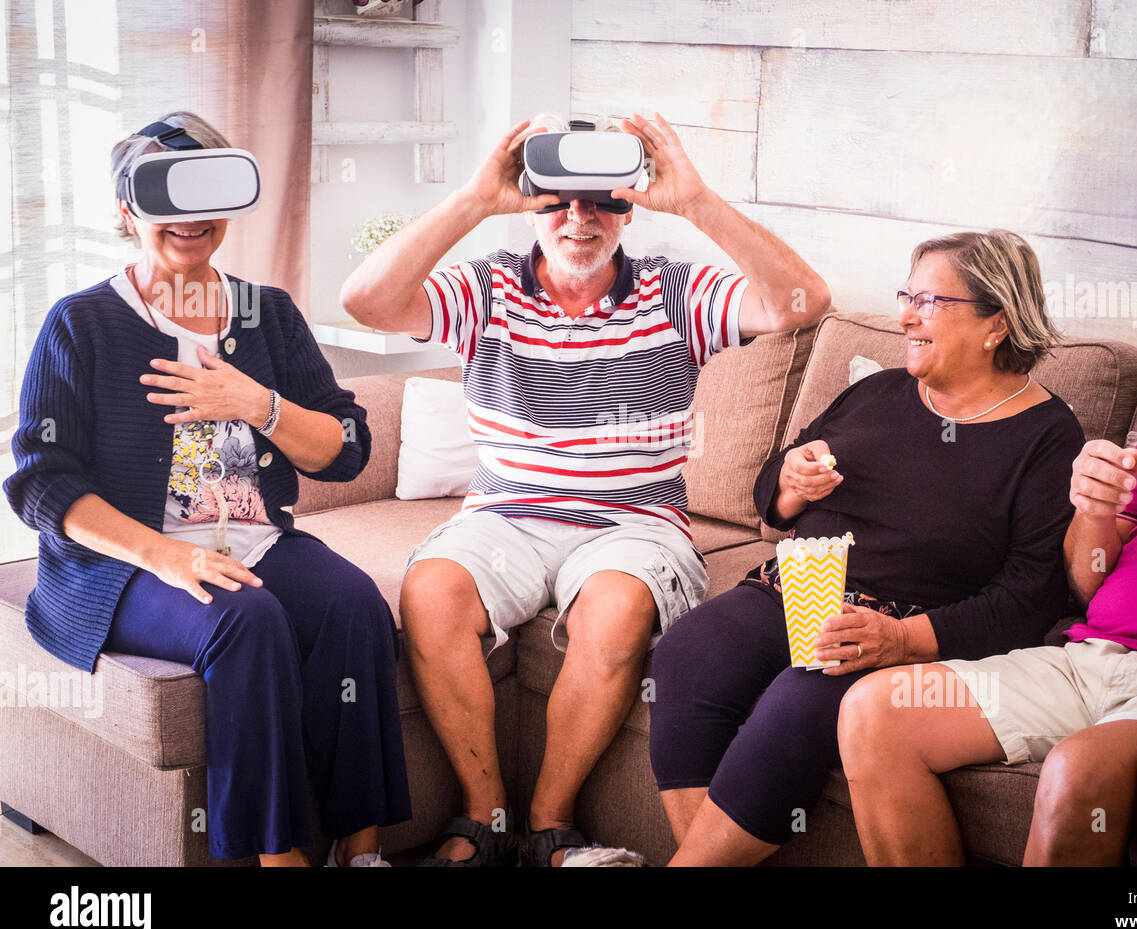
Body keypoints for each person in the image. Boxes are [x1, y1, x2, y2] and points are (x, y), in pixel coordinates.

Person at [339, 112, 831, 866]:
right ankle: (484, 820)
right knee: (430, 589)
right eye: (559, 200)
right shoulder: (488, 287)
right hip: (506, 515)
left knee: (617, 605)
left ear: (629, 209)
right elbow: (366, 302)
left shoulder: (674, 290)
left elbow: (803, 303)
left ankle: (548, 827)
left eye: (602, 201)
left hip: (633, 523)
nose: (580, 218)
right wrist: (473, 199)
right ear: (531, 204)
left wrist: (697, 200)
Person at [4, 112, 411, 867]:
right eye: (166, 199)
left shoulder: (268, 314)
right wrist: (166, 556)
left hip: (252, 537)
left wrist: (260, 405)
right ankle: (275, 855)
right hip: (124, 567)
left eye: (207, 198)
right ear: (127, 212)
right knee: (245, 621)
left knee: (355, 604)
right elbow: (40, 483)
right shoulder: (82, 324)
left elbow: (347, 449)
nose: (190, 221)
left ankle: (362, 849)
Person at [838, 214, 1137, 866]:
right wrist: (1092, 506)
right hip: (1085, 657)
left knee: (1075, 776)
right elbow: (1086, 580)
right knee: (875, 712)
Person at [648, 229, 1084, 865]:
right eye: (908, 295)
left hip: (900, 626)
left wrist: (904, 641)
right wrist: (791, 484)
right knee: (688, 655)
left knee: (799, 701)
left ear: (997, 322)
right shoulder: (880, 391)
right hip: (793, 590)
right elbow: (768, 491)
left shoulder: (1047, 437)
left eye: (930, 302)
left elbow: (1033, 595)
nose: (906, 315)